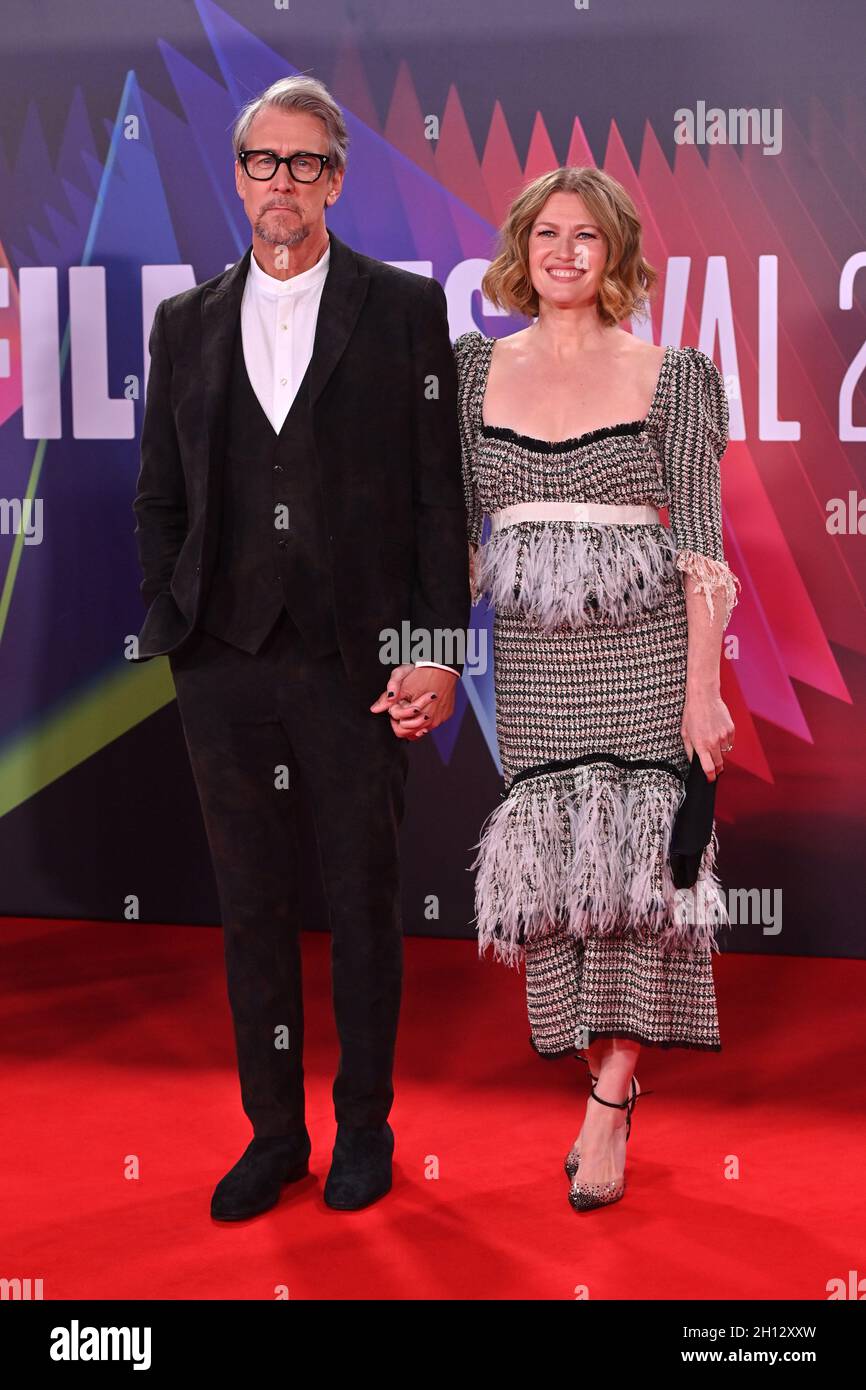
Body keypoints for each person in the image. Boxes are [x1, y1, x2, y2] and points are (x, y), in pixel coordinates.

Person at [131, 75, 469, 1220]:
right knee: (250, 906)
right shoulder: (182, 323)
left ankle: (362, 1130)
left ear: (336, 178)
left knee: (365, 903)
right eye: (265, 162)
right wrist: (174, 622)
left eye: (308, 163)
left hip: (357, 664)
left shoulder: (402, 310)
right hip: (222, 661)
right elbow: (159, 498)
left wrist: (433, 650)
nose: (284, 182)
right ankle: (273, 1134)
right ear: (238, 175)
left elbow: (439, 498)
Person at [453, 166, 741, 1212]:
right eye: (545, 233)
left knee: (640, 868)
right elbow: (448, 538)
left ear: (616, 255)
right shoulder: (470, 368)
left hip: (647, 652)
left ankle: (611, 1099)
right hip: (533, 665)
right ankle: (595, 1066)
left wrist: (700, 692)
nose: (564, 251)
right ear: (519, 250)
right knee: (566, 875)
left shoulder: (673, 375)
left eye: (586, 235)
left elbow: (704, 549)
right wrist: (427, 654)